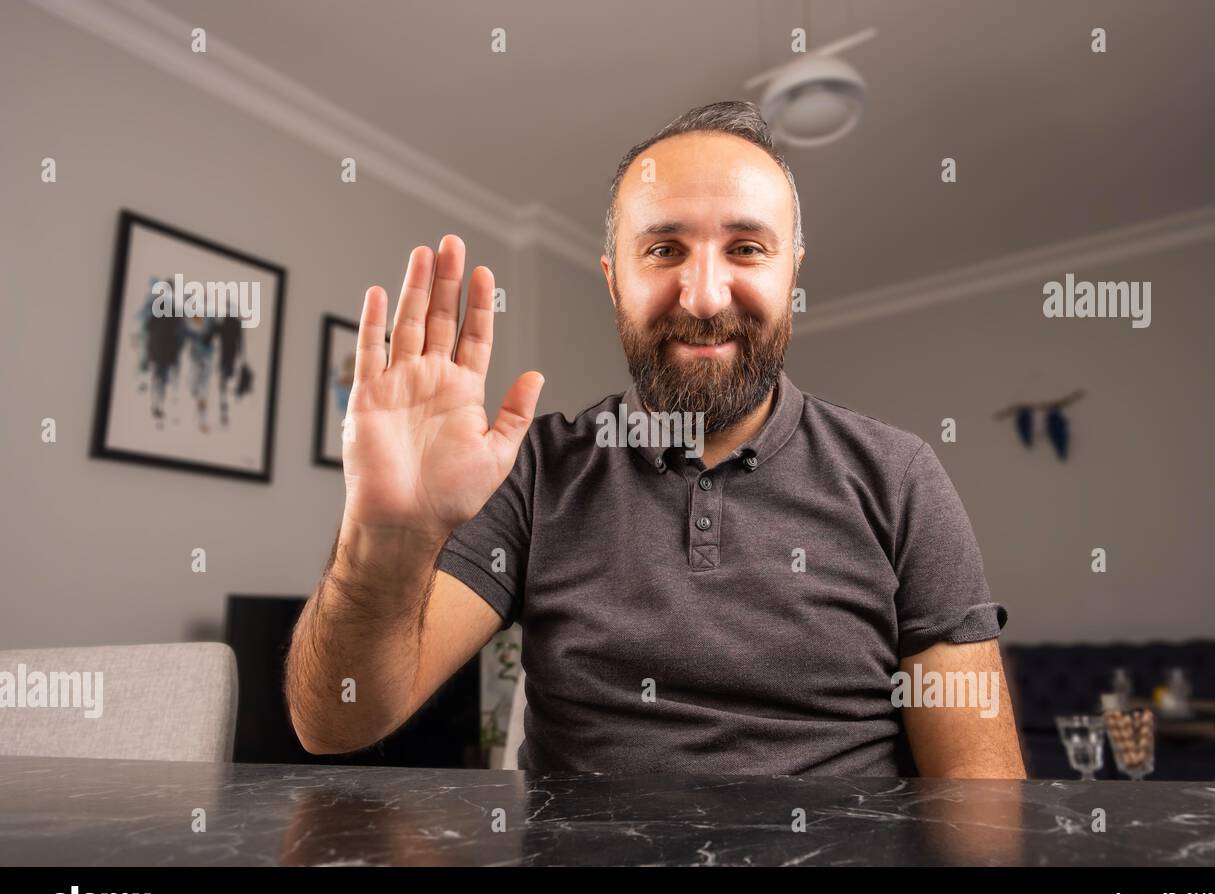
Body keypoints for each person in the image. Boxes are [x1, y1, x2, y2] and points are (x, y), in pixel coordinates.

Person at [285, 101, 1026, 779]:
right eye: (665, 250)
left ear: (792, 272)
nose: (704, 297)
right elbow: (334, 724)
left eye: (746, 248)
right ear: (614, 281)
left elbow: (982, 803)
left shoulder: (900, 478)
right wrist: (383, 541)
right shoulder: (533, 470)